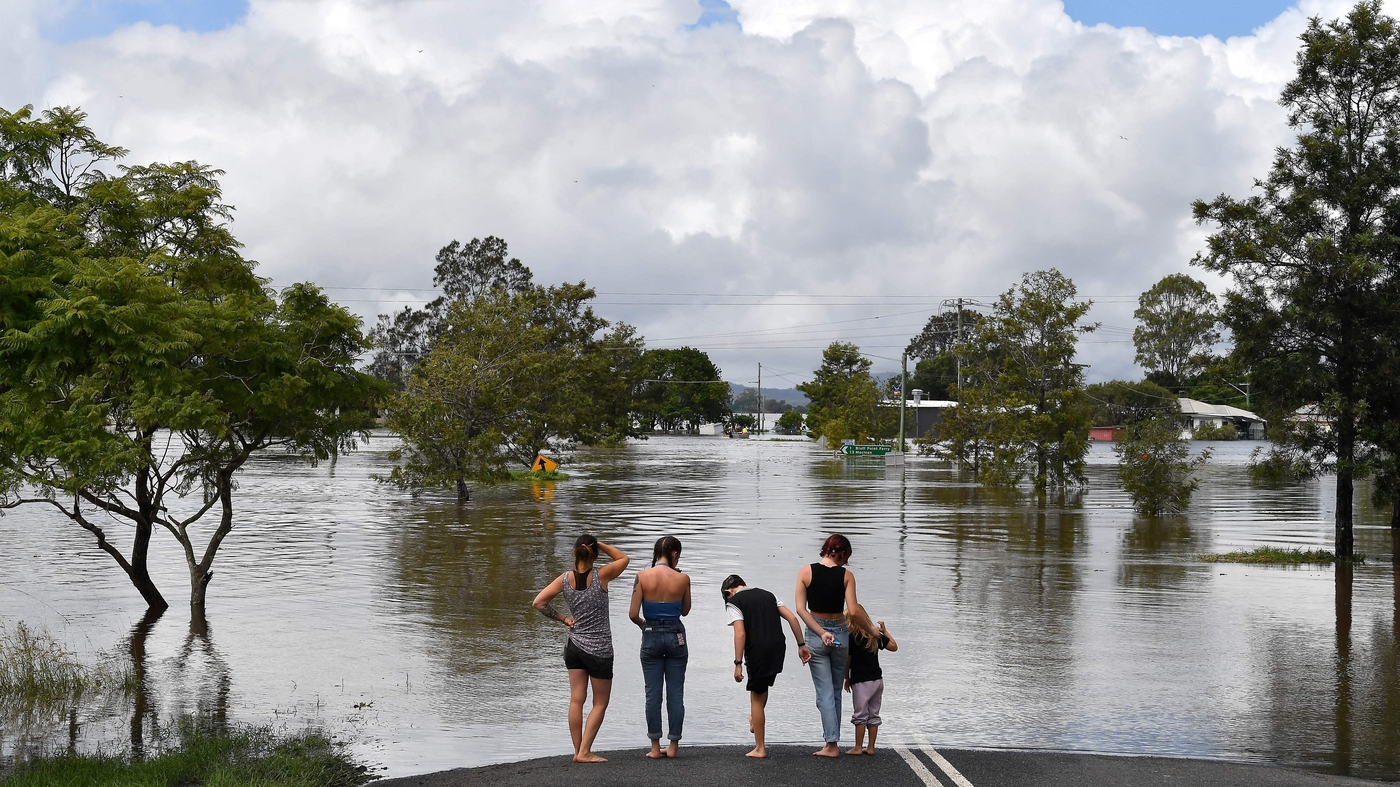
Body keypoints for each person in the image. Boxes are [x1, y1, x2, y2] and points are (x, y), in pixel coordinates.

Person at [532, 534, 630, 763]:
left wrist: (564, 618)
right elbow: (624, 558)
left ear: (574, 553)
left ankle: (578, 751)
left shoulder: (564, 580)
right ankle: (585, 751)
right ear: (594, 554)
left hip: (575, 646)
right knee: (600, 703)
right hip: (600, 650)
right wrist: (601, 543)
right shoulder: (602, 575)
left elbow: (538, 603)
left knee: (577, 699)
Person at [793, 533, 872, 757]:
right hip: (840, 632)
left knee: (824, 692)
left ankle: (832, 744)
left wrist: (820, 632)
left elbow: (800, 609)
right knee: (835, 691)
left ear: (825, 549)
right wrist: (872, 630)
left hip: (817, 634)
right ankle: (832, 741)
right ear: (843, 553)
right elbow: (854, 611)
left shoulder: (805, 572)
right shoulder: (847, 576)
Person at [722, 574, 810, 759]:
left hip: (757, 650)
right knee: (763, 687)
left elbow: (740, 634)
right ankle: (755, 720)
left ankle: (760, 748)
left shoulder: (734, 602)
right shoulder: (769, 595)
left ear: (728, 591)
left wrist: (738, 663)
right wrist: (801, 645)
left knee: (755, 695)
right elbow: (792, 618)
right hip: (778, 647)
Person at [628, 535, 692, 759]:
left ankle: (655, 747)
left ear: (657, 553)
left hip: (651, 635)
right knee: (676, 693)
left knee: (652, 694)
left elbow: (633, 614)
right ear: (674, 554)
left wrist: (644, 624)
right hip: (676, 636)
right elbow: (685, 611)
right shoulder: (683, 578)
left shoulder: (642, 577)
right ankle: (673, 747)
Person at [843, 604, 897, 755]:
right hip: (877, 681)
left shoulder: (851, 638)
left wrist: (846, 677)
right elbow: (894, 646)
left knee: (860, 714)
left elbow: (848, 661)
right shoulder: (873, 636)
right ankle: (871, 747)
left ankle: (858, 747)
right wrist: (885, 632)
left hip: (861, 681)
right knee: (874, 714)